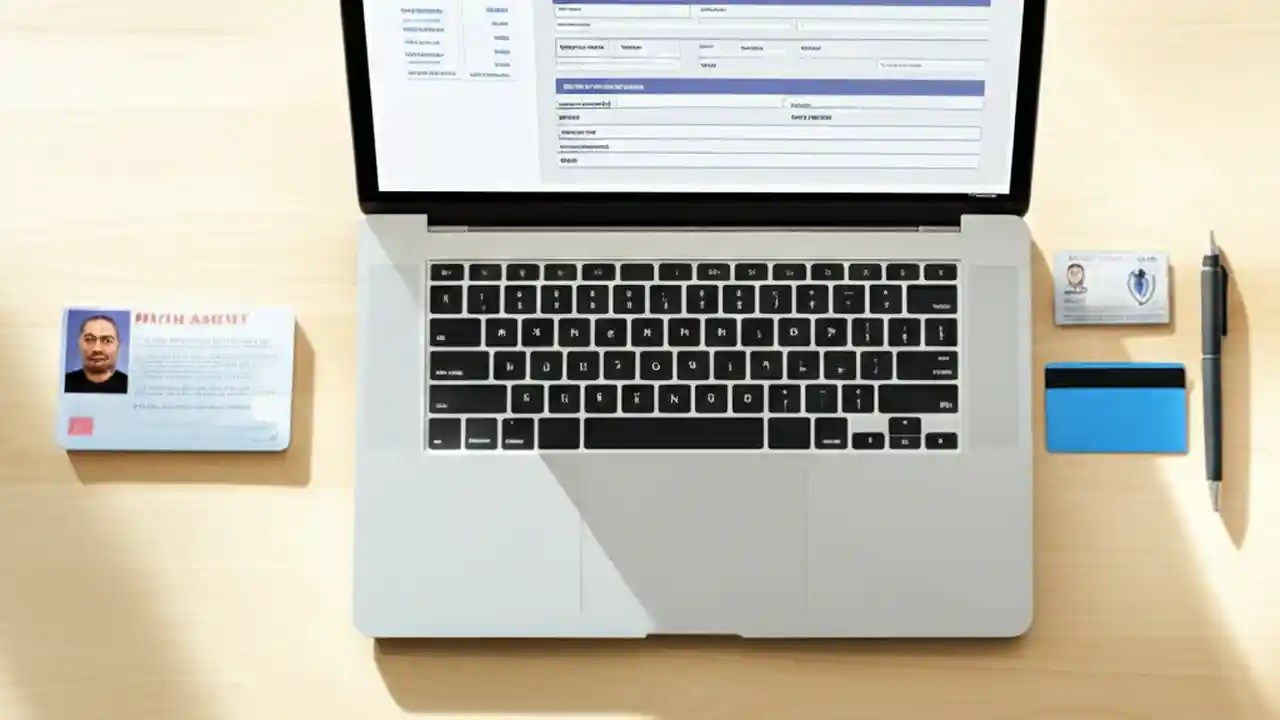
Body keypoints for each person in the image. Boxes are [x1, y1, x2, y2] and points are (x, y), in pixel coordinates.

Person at [64, 315, 129, 394]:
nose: (97, 349)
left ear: (118, 346)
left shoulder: (129, 386)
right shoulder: (64, 383)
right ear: (79, 343)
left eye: (107, 341)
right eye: (89, 340)